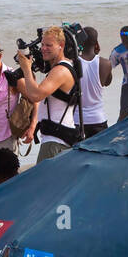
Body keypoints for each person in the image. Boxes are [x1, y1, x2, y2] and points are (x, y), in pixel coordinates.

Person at [16, 25, 81, 162]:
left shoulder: (61, 70)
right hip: (58, 138)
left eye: (49, 45)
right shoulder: (60, 68)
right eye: (43, 44)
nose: (44, 48)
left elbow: (36, 95)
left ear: (61, 45)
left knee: (42, 183)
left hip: (56, 140)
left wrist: (26, 68)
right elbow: (35, 91)